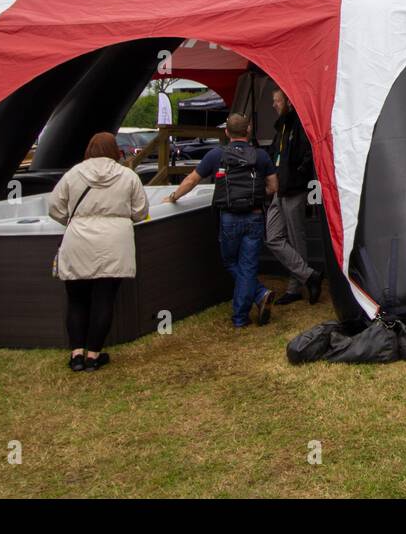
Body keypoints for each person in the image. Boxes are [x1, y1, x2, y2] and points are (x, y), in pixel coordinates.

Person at [49, 132, 149, 372]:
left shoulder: (73, 174)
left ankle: (76, 355)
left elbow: (54, 208)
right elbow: (140, 210)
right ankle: (94, 355)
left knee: (76, 299)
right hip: (114, 242)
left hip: (78, 241)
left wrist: (75, 222)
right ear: (115, 150)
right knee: (104, 298)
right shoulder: (128, 176)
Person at [166, 113, 278, 327]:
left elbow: (192, 180)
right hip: (255, 215)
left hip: (228, 217)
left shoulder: (216, 155)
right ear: (248, 131)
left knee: (230, 262)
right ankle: (256, 298)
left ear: (226, 132)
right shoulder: (261, 156)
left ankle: (244, 313)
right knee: (248, 265)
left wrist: (173, 196)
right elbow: (273, 187)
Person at [266, 88, 323, 306]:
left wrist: (297, 176)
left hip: (294, 190)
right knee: (273, 237)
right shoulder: (280, 127)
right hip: (280, 190)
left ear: (288, 101)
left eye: (277, 100)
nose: (274, 105)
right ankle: (310, 276)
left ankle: (294, 288)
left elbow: (309, 155)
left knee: (296, 239)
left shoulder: (299, 124)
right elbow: (274, 153)